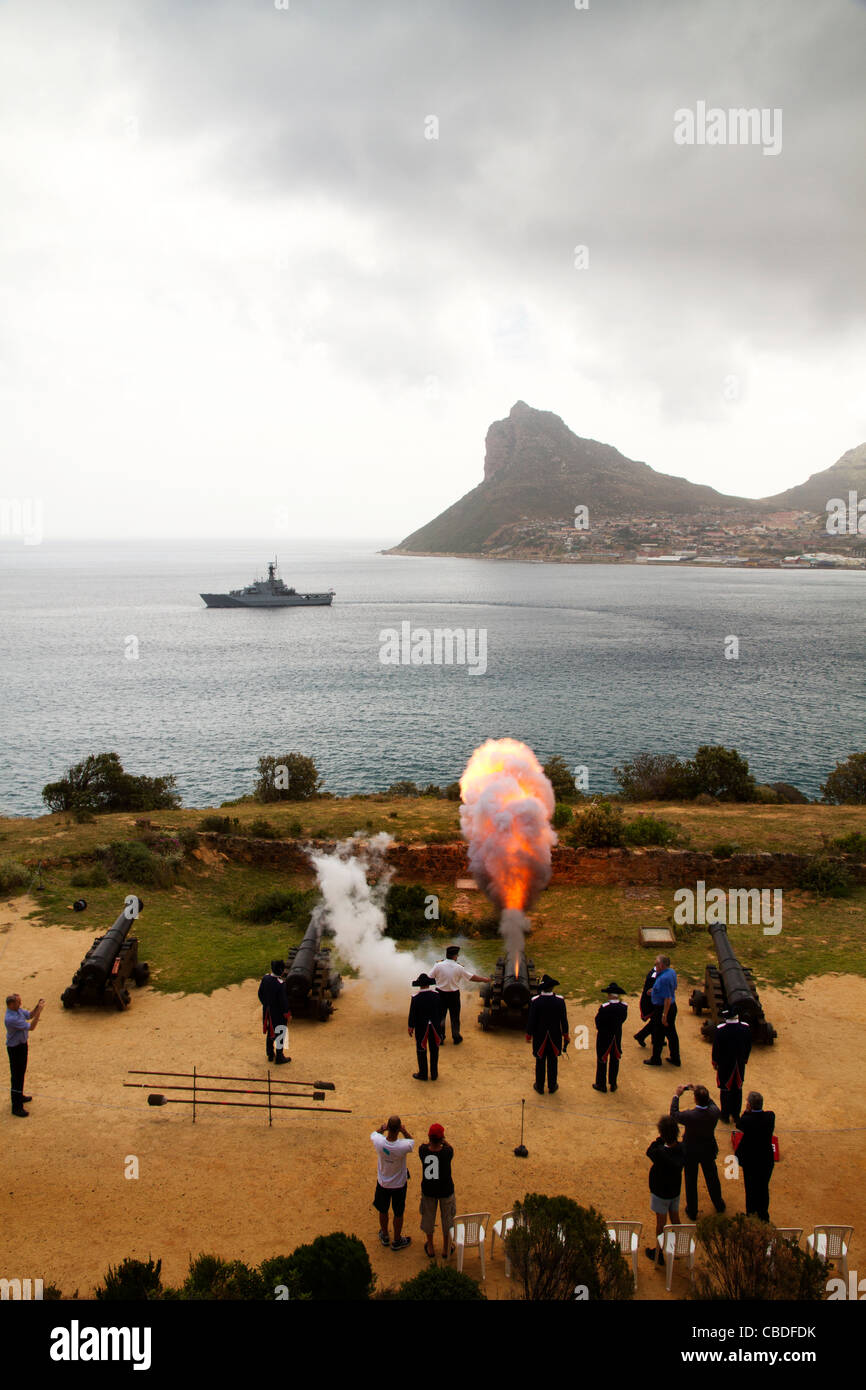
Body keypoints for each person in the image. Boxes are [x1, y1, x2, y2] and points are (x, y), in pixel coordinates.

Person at [670, 1083, 726, 1220]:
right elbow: (711, 1103)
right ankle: (718, 1204)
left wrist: (677, 1096)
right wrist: (699, 1091)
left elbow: (674, 1114)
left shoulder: (690, 1115)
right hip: (708, 1149)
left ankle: (692, 1210)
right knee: (712, 1177)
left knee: (690, 1180)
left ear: (695, 1099)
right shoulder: (714, 1112)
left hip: (691, 1151)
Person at [645, 1114, 685, 1265]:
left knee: (661, 1223)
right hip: (674, 1190)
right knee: (675, 1218)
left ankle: (658, 1252)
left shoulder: (660, 1153)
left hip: (661, 1192)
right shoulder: (681, 1148)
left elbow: (650, 1150)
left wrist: (660, 1139)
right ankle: (680, 1247)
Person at [430, 946, 489, 1044]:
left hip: (440, 994)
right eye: (457, 955)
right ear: (454, 956)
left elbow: (430, 977)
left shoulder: (438, 965)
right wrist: (484, 979)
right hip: (454, 995)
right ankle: (456, 1037)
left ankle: (440, 1038)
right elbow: (471, 977)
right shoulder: (459, 967)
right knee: (455, 1017)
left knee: (441, 1017)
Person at [371, 1116, 414, 1251]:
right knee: (398, 1213)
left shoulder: (379, 1142)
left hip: (383, 1183)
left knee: (383, 1210)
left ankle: (384, 1234)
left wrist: (382, 1128)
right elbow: (411, 1141)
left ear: (388, 1128)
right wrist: (404, 1131)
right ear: (399, 1129)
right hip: (399, 1185)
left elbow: (375, 1134)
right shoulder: (403, 1146)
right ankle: (397, 1239)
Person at [735, 1091, 776, 1222]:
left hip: (751, 1161)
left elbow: (739, 1124)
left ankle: (751, 1216)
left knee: (751, 1190)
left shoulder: (746, 1119)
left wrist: (747, 1111)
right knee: (763, 1188)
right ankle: (763, 1216)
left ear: (749, 1105)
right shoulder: (770, 1116)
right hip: (766, 1160)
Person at [418, 1122, 457, 1259]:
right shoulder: (447, 1152)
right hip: (445, 1190)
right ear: (441, 1139)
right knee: (447, 1219)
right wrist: (443, 1141)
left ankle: (430, 1246)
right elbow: (450, 1147)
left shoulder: (423, 1151)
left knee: (428, 1217)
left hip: (429, 1190)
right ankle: (446, 1248)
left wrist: (431, 1142)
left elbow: (423, 1145)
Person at [526, 974, 569, 1094]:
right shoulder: (560, 1001)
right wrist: (566, 1035)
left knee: (540, 1062)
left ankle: (539, 1086)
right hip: (555, 1036)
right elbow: (563, 1020)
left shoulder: (535, 1001)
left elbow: (532, 1020)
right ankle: (552, 1085)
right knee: (553, 1062)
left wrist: (529, 1034)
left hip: (540, 1036)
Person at [5, 991, 45, 1117]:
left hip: (21, 1046)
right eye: (18, 1002)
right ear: (11, 1004)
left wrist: (37, 1007)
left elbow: (30, 1015)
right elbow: (31, 1026)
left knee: (21, 1072)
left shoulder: (18, 1011)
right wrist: (39, 1013)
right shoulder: (11, 1018)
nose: (20, 1003)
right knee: (16, 1076)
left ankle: (19, 1096)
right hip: (15, 1049)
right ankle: (16, 1107)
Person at [711, 1008, 752, 1123]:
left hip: (725, 1065)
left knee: (725, 1090)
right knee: (737, 1089)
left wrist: (715, 1062)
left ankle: (725, 1115)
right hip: (739, 1064)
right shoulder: (745, 1028)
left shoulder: (720, 1030)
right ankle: (736, 1115)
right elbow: (748, 1046)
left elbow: (716, 1049)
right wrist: (745, 1058)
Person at [644, 954, 680, 1068]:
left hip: (664, 1008)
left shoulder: (664, 978)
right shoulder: (671, 972)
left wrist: (664, 1015)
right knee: (671, 1033)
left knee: (659, 1034)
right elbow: (673, 988)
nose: (655, 965)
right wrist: (654, 991)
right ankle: (675, 1058)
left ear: (662, 965)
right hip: (671, 1007)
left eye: (656, 964)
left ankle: (656, 1059)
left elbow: (667, 999)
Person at [593, 982, 628, 1093]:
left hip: (604, 1036)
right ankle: (613, 1083)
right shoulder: (624, 1007)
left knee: (602, 1059)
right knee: (615, 1060)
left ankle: (601, 1084)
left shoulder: (604, 1008)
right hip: (616, 1036)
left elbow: (598, 1022)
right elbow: (623, 1019)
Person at [408, 974, 443, 1081]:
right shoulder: (436, 995)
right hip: (435, 1026)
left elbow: (412, 1014)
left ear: (419, 985)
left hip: (421, 1027)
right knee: (434, 1050)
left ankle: (423, 1074)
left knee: (421, 1049)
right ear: (429, 984)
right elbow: (441, 1012)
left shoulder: (416, 998)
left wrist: (411, 1026)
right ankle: (434, 1074)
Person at [257, 960, 291, 1064]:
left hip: (267, 1011)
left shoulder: (265, 978)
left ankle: (270, 1054)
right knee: (280, 1032)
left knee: (270, 1031)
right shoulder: (280, 984)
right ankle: (279, 1056)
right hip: (278, 1014)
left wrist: (266, 1004)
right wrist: (287, 1013)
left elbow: (260, 994)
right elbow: (283, 1001)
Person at [634, 963, 659, 1050]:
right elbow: (650, 991)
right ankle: (641, 1035)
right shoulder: (654, 976)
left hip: (652, 1001)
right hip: (650, 1002)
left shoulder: (655, 972)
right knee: (656, 1021)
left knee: (655, 1020)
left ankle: (655, 1038)